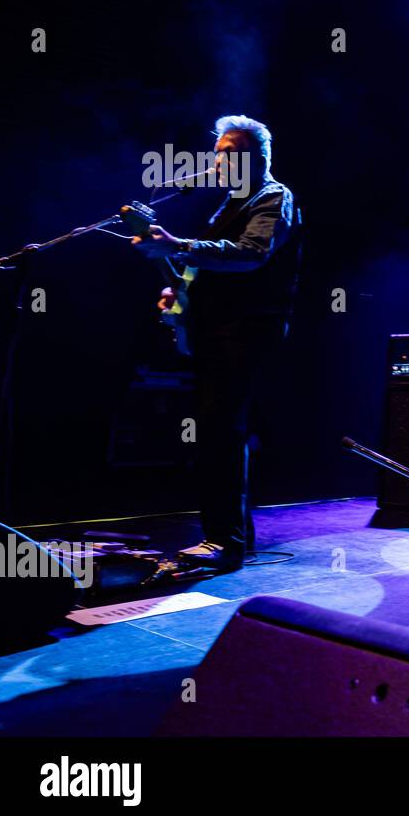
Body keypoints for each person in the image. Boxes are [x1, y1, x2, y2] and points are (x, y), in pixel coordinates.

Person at [132, 115, 300, 571]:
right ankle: (228, 537)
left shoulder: (272, 197)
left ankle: (224, 542)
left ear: (258, 159)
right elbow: (206, 268)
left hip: (245, 328)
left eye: (229, 153)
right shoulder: (227, 205)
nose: (218, 161)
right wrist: (179, 289)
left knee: (221, 429)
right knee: (218, 430)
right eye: (218, 152)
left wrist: (180, 246)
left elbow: (251, 254)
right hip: (218, 326)